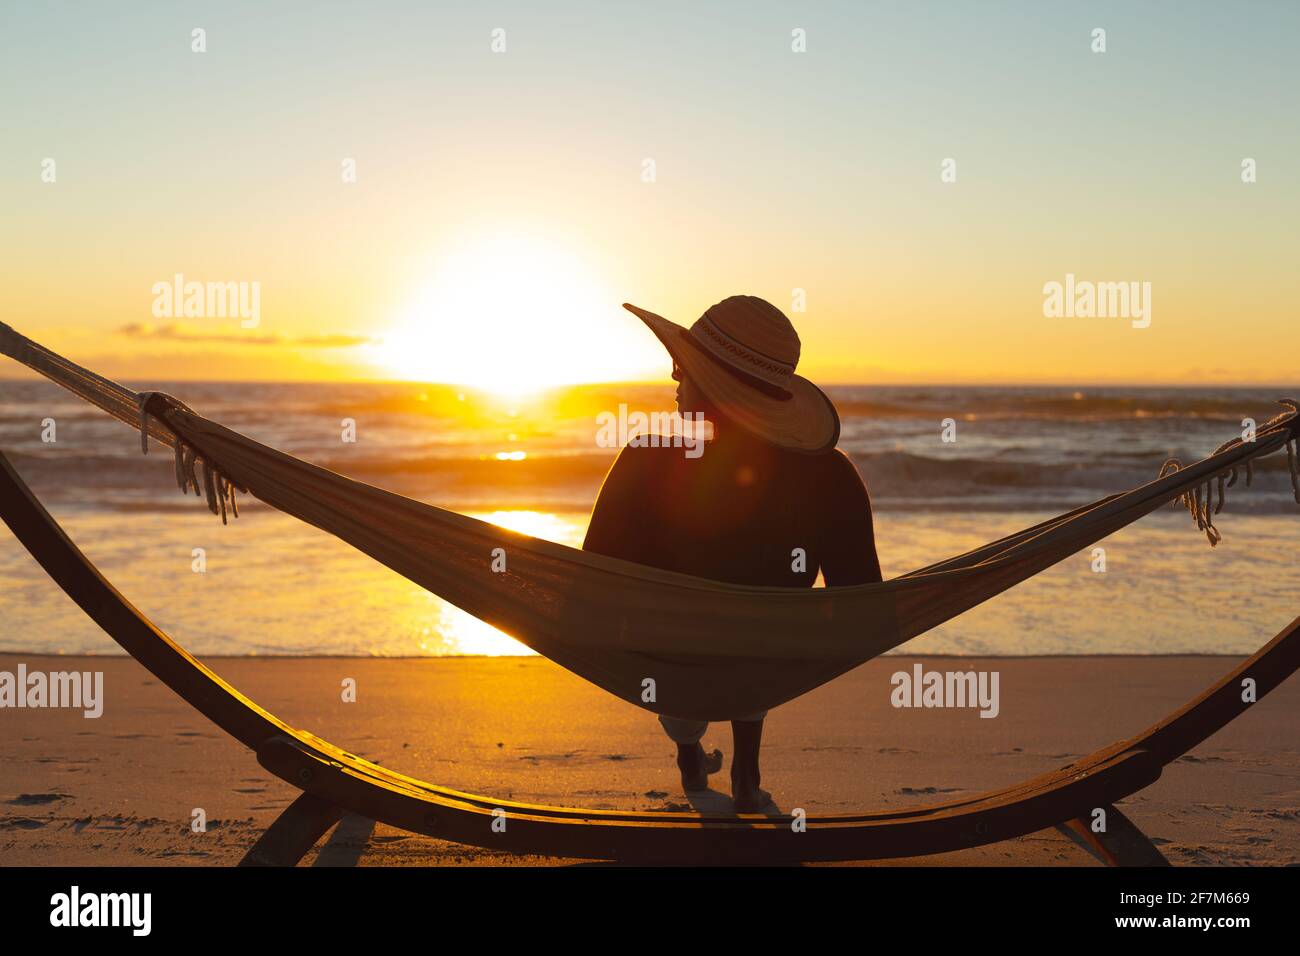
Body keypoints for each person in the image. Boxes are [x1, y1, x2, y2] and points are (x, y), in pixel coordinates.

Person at [583, 295, 882, 811]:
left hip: (667, 667)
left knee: (697, 624)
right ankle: (746, 775)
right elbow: (862, 605)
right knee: (759, 622)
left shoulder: (646, 463)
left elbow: (592, 585)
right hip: (767, 666)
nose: (673, 374)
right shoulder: (831, 477)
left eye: (685, 366)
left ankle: (688, 746)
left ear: (717, 386)